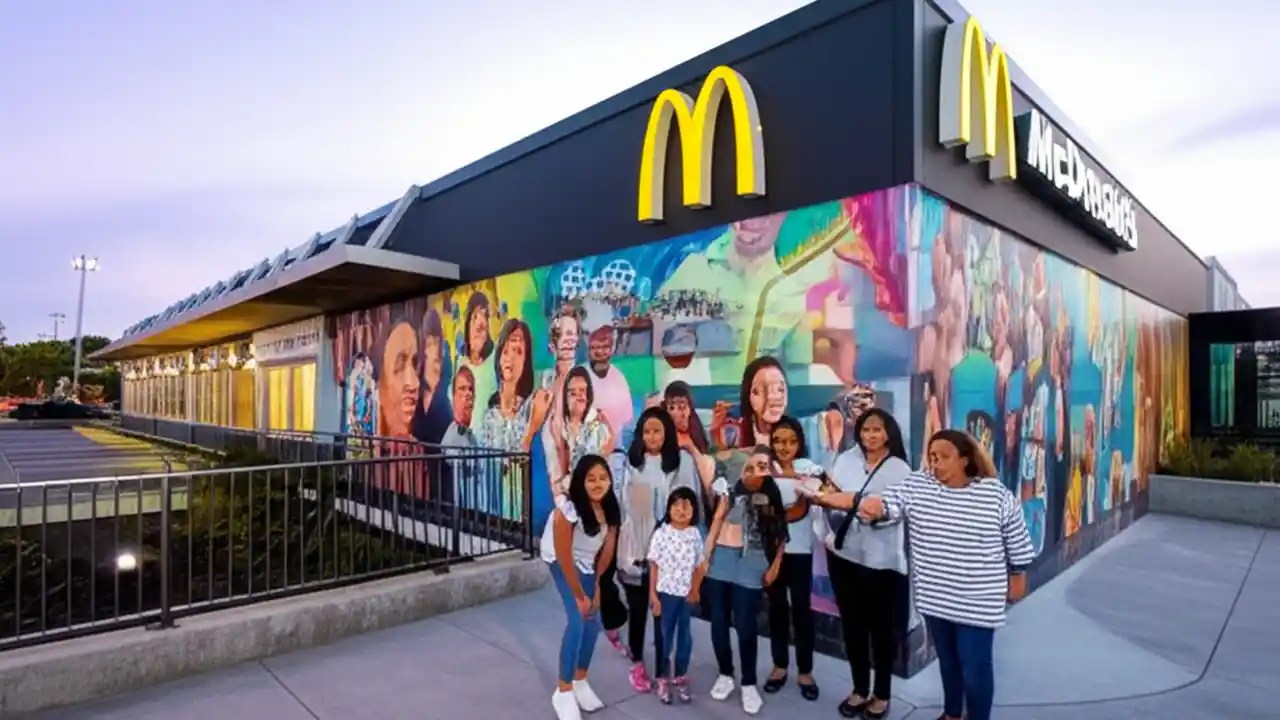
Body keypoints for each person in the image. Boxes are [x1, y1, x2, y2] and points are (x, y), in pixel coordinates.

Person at [856, 430, 1035, 720]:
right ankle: (952, 713)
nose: (936, 463)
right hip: (937, 597)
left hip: (977, 602)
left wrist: (1018, 576)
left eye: (944, 457)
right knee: (949, 663)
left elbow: (1017, 541)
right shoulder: (920, 485)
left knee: (975, 669)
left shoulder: (994, 495)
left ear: (965, 460)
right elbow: (891, 502)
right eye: (932, 457)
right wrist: (876, 507)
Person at [808, 408, 912, 718]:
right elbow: (830, 497)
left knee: (882, 631)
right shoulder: (845, 460)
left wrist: (874, 514)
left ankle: (881, 694)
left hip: (883, 563)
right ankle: (858, 689)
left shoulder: (900, 469)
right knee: (853, 627)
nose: (870, 436)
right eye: (866, 430)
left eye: (877, 430)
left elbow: (901, 510)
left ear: (888, 433)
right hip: (845, 556)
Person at [612, 407, 702, 692]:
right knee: (638, 609)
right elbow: (622, 504)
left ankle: (665, 667)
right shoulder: (630, 463)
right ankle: (637, 662)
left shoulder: (681, 463)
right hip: (634, 549)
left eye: (657, 431)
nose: (652, 437)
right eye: (647, 431)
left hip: (669, 553)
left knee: (664, 614)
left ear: (667, 433)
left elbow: (688, 503)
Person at [704, 445, 789, 715]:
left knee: (745, 624)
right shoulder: (730, 490)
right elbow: (716, 521)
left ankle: (749, 682)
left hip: (752, 562)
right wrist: (705, 557)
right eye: (750, 467)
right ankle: (725, 673)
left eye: (761, 466)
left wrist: (775, 565)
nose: (755, 472)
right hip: (721, 559)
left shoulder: (771, 494)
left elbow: (781, 533)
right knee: (718, 620)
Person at [540, 454, 622, 720]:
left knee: (593, 620)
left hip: (587, 564)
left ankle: (580, 680)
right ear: (581, 481)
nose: (598, 484)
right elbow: (563, 553)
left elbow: (605, 554)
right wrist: (578, 594)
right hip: (561, 559)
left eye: (603, 478)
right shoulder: (569, 509)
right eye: (591, 479)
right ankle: (562, 690)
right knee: (577, 618)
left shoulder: (610, 510)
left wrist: (597, 585)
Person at [762, 416, 822, 701]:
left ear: (799, 443)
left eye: (791, 441)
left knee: (802, 611)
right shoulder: (765, 468)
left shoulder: (808, 469)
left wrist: (777, 514)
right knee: (776, 609)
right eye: (778, 441)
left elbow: (798, 511)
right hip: (773, 552)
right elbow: (761, 509)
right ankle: (779, 666)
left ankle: (806, 671)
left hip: (801, 551)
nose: (784, 447)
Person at [646, 486, 706, 705]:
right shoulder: (661, 534)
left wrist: (695, 589)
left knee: (685, 638)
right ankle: (662, 677)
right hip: (665, 594)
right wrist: (653, 596)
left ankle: (680, 676)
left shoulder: (694, 534)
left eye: (686, 505)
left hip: (685, 596)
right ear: (668, 508)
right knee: (664, 637)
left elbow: (700, 566)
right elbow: (654, 565)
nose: (681, 510)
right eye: (676, 505)